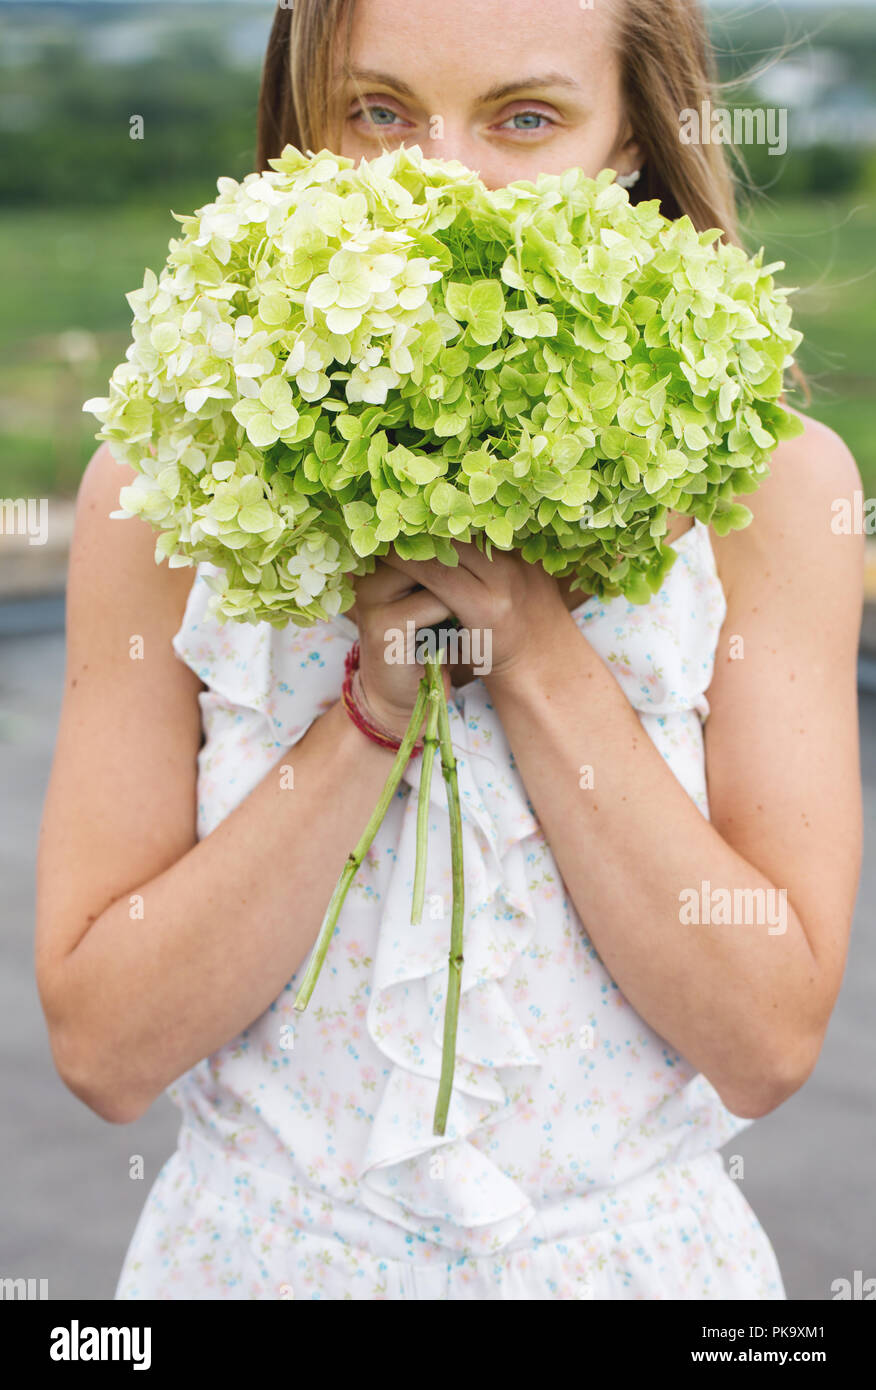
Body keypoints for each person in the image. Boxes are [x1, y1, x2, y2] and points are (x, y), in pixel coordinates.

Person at [36, 0, 863, 1300]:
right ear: (298, 132)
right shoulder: (157, 490)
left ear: (633, 143)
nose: (440, 181)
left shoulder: (775, 492)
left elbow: (764, 1035)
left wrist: (533, 653)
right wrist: (367, 716)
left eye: (526, 119)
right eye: (377, 114)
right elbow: (103, 1043)